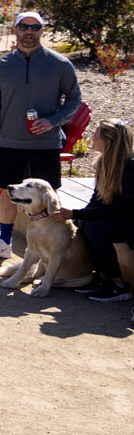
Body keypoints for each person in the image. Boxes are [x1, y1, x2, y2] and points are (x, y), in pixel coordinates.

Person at [0, 11, 84, 262]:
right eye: (24, 26)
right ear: (15, 29)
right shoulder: (2, 66)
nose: (29, 32)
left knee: (48, 196)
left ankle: (48, 249)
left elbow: (75, 99)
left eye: (35, 27)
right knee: (7, 192)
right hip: (11, 142)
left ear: (42, 31)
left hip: (46, 144)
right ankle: (4, 243)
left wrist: (53, 121)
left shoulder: (59, 64)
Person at [66, 121, 134, 303]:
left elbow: (119, 211)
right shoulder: (104, 163)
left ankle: (119, 285)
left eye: (95, 136)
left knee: (95, 228)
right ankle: (103, 276)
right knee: (83, 223)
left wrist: (75, 213)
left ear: (108, 142)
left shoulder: (130, 168)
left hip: (129, 220)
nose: (92, 139)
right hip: (120, 217)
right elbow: (97, 201)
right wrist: (76, 215)